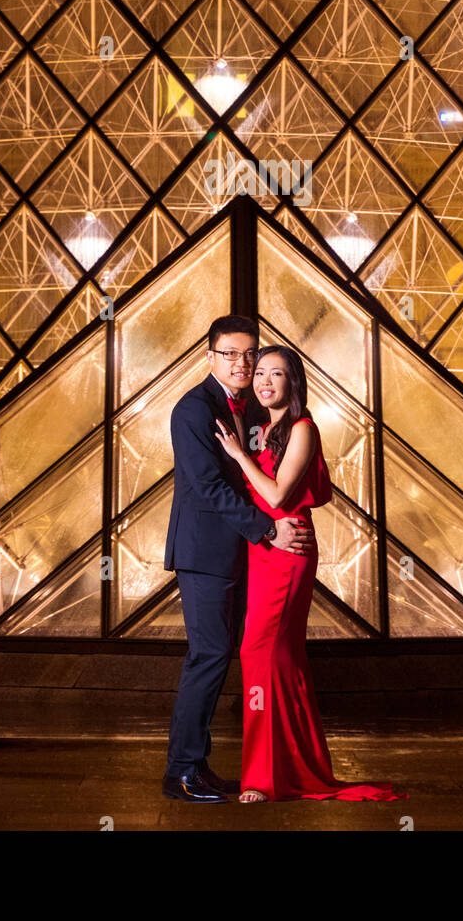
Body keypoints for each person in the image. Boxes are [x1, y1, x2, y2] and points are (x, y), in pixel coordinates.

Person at [215, 344, 407, 803]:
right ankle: (295, 767)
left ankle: (263, 777)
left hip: (287, 554)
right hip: (264, 548)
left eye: (276, 374)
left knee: (259, 651)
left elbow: (280, 496)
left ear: (292, 383)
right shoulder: (265, 429)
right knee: (281, 659)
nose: (263, 381)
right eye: (259, 372)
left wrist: (240, 456)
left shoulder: (302, 428)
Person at [162, 316, 315, 803]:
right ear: (210, 357)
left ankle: (198, 766)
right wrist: (269, 528)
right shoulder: (194, 409)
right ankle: (181, 771)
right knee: (207, 657)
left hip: (239, 552)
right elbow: (208, 487)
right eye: (231, 354)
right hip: (206, 554)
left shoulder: (248, 406)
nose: (244, 364)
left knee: (218, 656)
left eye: (250, 355)